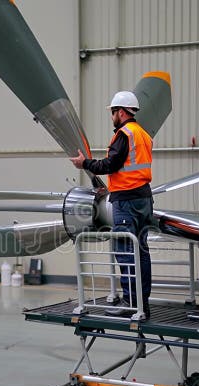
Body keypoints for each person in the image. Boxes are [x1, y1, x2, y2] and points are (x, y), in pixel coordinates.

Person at [69, 91, 153, 319]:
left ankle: (130, 304)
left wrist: (84, 163)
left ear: (122, 112)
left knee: (125, 251)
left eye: (113, 112)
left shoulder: (124, 134)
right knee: (141, 251)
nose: (112, 116)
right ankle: (142, 303)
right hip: (144, 199)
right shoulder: (142, 134)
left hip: (127, 200)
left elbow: (111, 164)